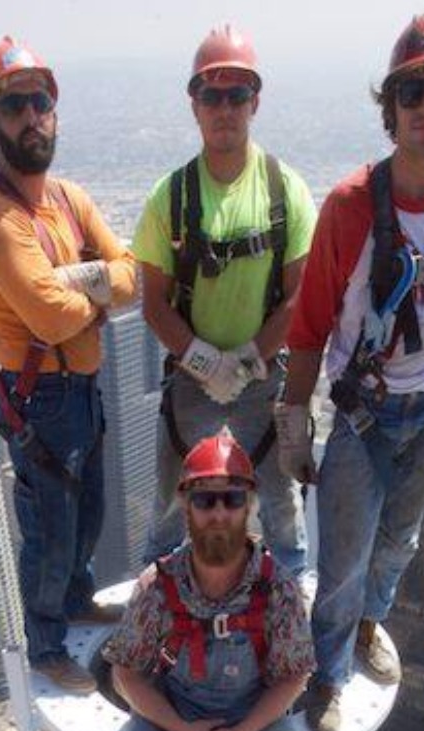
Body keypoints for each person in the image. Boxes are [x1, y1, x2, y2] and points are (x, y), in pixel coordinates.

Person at [274, 6, 424, 731]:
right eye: (412, 91)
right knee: (344, 559)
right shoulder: (352, 206)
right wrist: (294, 425)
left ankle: (368, 626)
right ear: (391, 106)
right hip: (364, 414)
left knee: (399, 542)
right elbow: (311, 325)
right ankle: (327, 672)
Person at [0, 36, 138, 693]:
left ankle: (75, 601)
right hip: (39, 397)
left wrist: (82, 285)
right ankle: (45, 646)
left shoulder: (66, 199)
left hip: (81, 388)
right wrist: (93, 297)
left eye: (40, 101)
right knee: (50, 528)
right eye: (14, 105)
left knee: (87, 513)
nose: (31, 116)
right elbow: (53, 318)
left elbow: (131, 275)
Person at [133, 24, 317, 576]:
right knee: (175, 492)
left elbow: (299, 296)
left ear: (254, 102)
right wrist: (204, 362)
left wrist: (248, 359)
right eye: (211, 94)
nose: (224, 108)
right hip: (192, 377)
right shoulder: (172, 197)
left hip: (264, 375)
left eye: (236, 94)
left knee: (279, 497)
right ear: (195, 105)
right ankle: (157, 593)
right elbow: (155, 304)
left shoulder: (286, 192)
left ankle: (290, 591)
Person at [103, 430, 315, 731]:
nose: (219, 513)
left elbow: (294, 676)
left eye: (232, 499)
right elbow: (127, 672)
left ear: (248, 505)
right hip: (173, 712)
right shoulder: (156, 587)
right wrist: (181, 728)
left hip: (252, 713)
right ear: (186, 506)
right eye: (205, 500)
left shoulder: (278, 589)